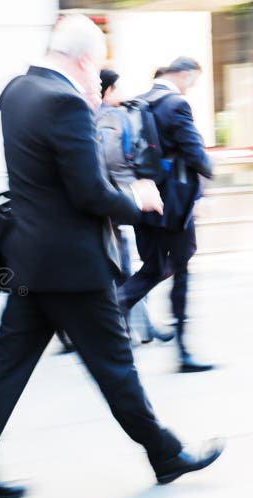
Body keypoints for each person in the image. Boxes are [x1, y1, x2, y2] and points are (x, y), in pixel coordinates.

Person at [0, 15, 222, 498]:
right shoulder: (64, 102)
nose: (97, 78)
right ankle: (166, 454)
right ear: (84, 60)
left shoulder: (18, 90)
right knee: (116, 367)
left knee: (4, 366)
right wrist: (138, 201)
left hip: (31, 260)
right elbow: (90, 193)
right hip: (74, 266)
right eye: (97, 66)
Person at [116, 57, 214, 373]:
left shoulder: (137, 102)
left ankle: (112, 313)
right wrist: (211, 173)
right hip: (174, 205)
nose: (192, 86)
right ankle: (183, 352)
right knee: (179, 268)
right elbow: (195, 154)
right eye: (194, 80)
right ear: (184, 74)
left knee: (155, 267)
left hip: (144, 200)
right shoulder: (176, 105)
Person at [97, 69, 174, 346]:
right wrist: (134, 185)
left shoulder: (98, 114)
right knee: (123, 267)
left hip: (112, 199)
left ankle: (143, 327)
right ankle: (130, 329)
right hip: (117, 199)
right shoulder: (109, 117)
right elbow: (112, 161)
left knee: (126, 267)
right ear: (108, 90)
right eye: (118, 87)